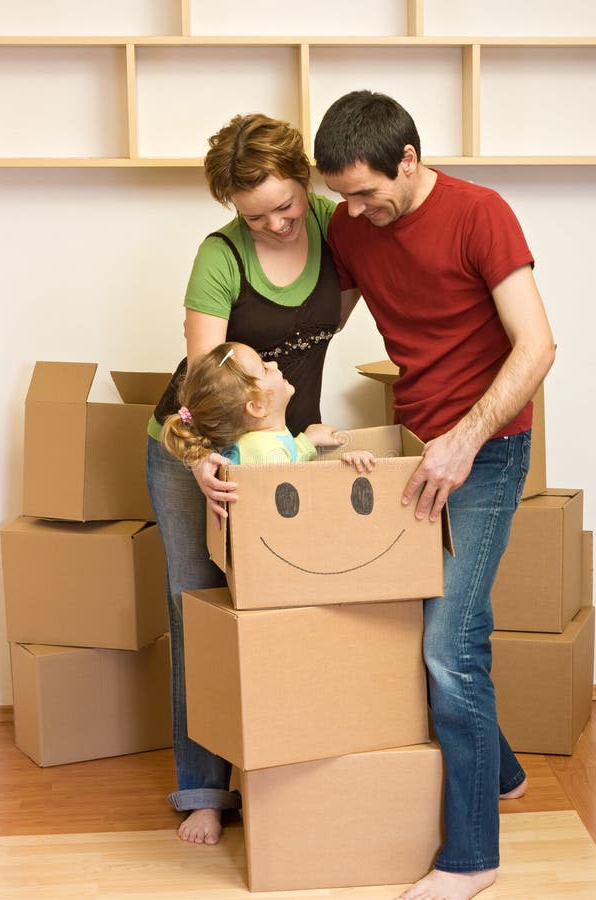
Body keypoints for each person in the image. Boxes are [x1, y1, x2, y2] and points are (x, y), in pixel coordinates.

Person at [312, 91, 555, 900]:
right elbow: (325, 324)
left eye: (365, 191)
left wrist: (466, 436)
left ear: (408, 161)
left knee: (449, 645)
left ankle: (473, 856)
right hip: (415, 448)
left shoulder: (482, 214)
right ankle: (507, 775)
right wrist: (291, 424)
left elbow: (537, 345)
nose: (350, 210)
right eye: (341, 194)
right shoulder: (352, 226)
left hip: (488, 451)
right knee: (432, 630)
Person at [146, 113, 358, 845]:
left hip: (286, 449)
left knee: (300, 608)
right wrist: (204, 462)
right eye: (254, 214)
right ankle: (203, 790)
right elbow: (201, 387)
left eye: (284, 207)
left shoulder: (341, 222)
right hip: (196, 450)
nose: (272, 224)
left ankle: (298, 769)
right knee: (198, 612)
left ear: (306, 179)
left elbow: (360, 301)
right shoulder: (220, 256)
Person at [160, 341, 375, 469]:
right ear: (257, 407)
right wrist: (344, 469)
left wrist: (307, 441)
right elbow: (299, 492)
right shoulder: (262, 454)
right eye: (264, 369)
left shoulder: (262, 443)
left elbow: (286, 456)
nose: (274, 364)